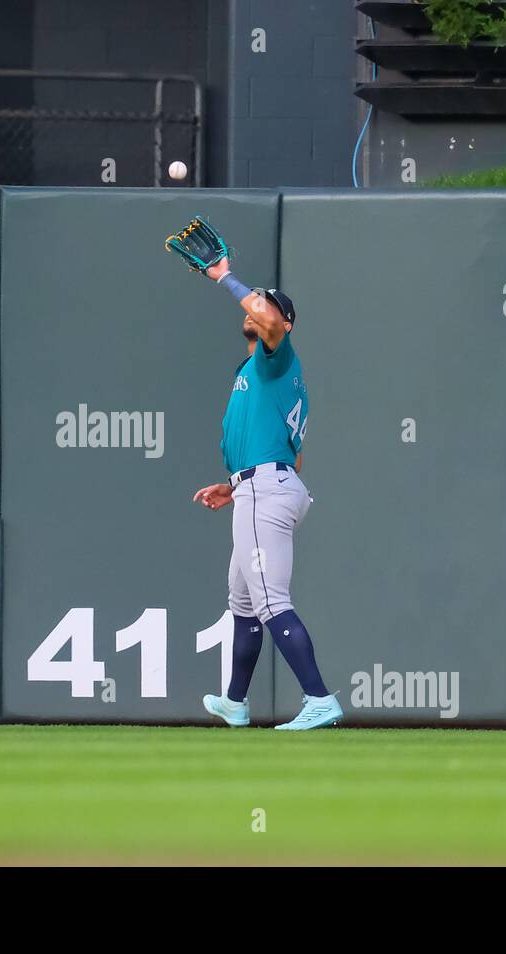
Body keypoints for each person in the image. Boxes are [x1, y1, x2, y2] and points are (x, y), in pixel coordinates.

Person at [191, 255, 343, 730]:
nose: (254, 311)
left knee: (271, 600)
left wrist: (225, 277)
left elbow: (270, 319)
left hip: (265, 492)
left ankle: (319, 698)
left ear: (283, 322)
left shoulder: (277, 358)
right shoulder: (267, 371)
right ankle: (236, 702)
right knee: (243, 601)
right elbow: (290, 458)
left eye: (265, 307)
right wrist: (236, 487)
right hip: (262, 487)